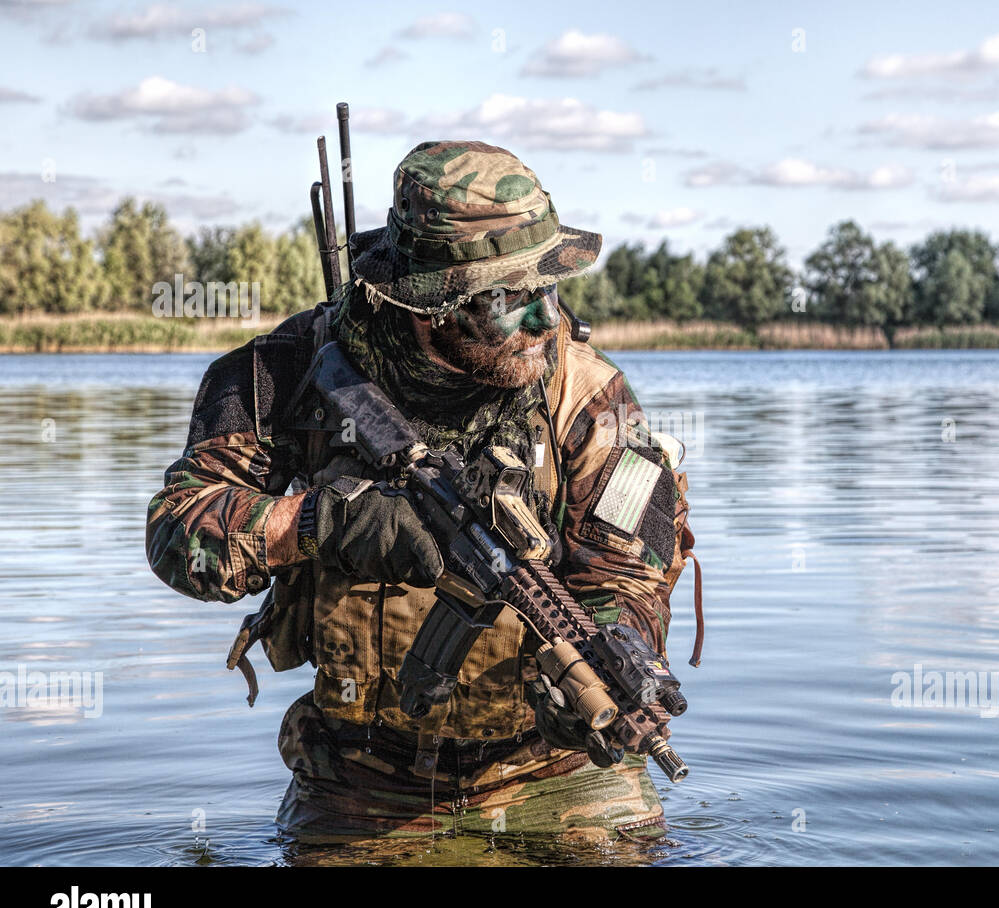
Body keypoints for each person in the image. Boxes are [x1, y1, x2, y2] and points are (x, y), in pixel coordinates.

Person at [146, 141, 700, 842]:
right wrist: (319, 522)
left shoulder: (589, 397)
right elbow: (177, 533)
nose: (543, 322)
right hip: (359, 778)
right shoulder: (283, 375)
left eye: (548, 290)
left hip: (556, 770)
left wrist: (609, 651)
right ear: (429, 305)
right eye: (506, 299)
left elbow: (625, 576)